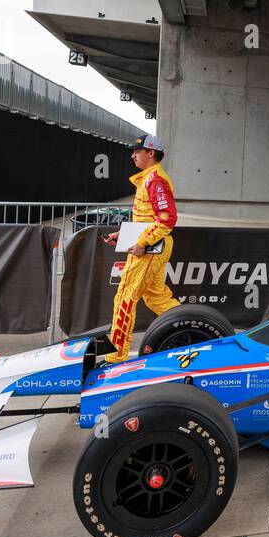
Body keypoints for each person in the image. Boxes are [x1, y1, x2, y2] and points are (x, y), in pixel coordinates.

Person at [101, 134, 178, 364]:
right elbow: (148, 219)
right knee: (157, 299)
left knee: (125, 297)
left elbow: (166, 219)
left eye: (137, 151)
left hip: (150, 249)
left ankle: (116, 356)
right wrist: (123, 235)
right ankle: (196, 333)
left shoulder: (155, 179)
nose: (133, 156)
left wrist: (143, 243)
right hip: (150, 247)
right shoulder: (149, 179)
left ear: (151, 153)